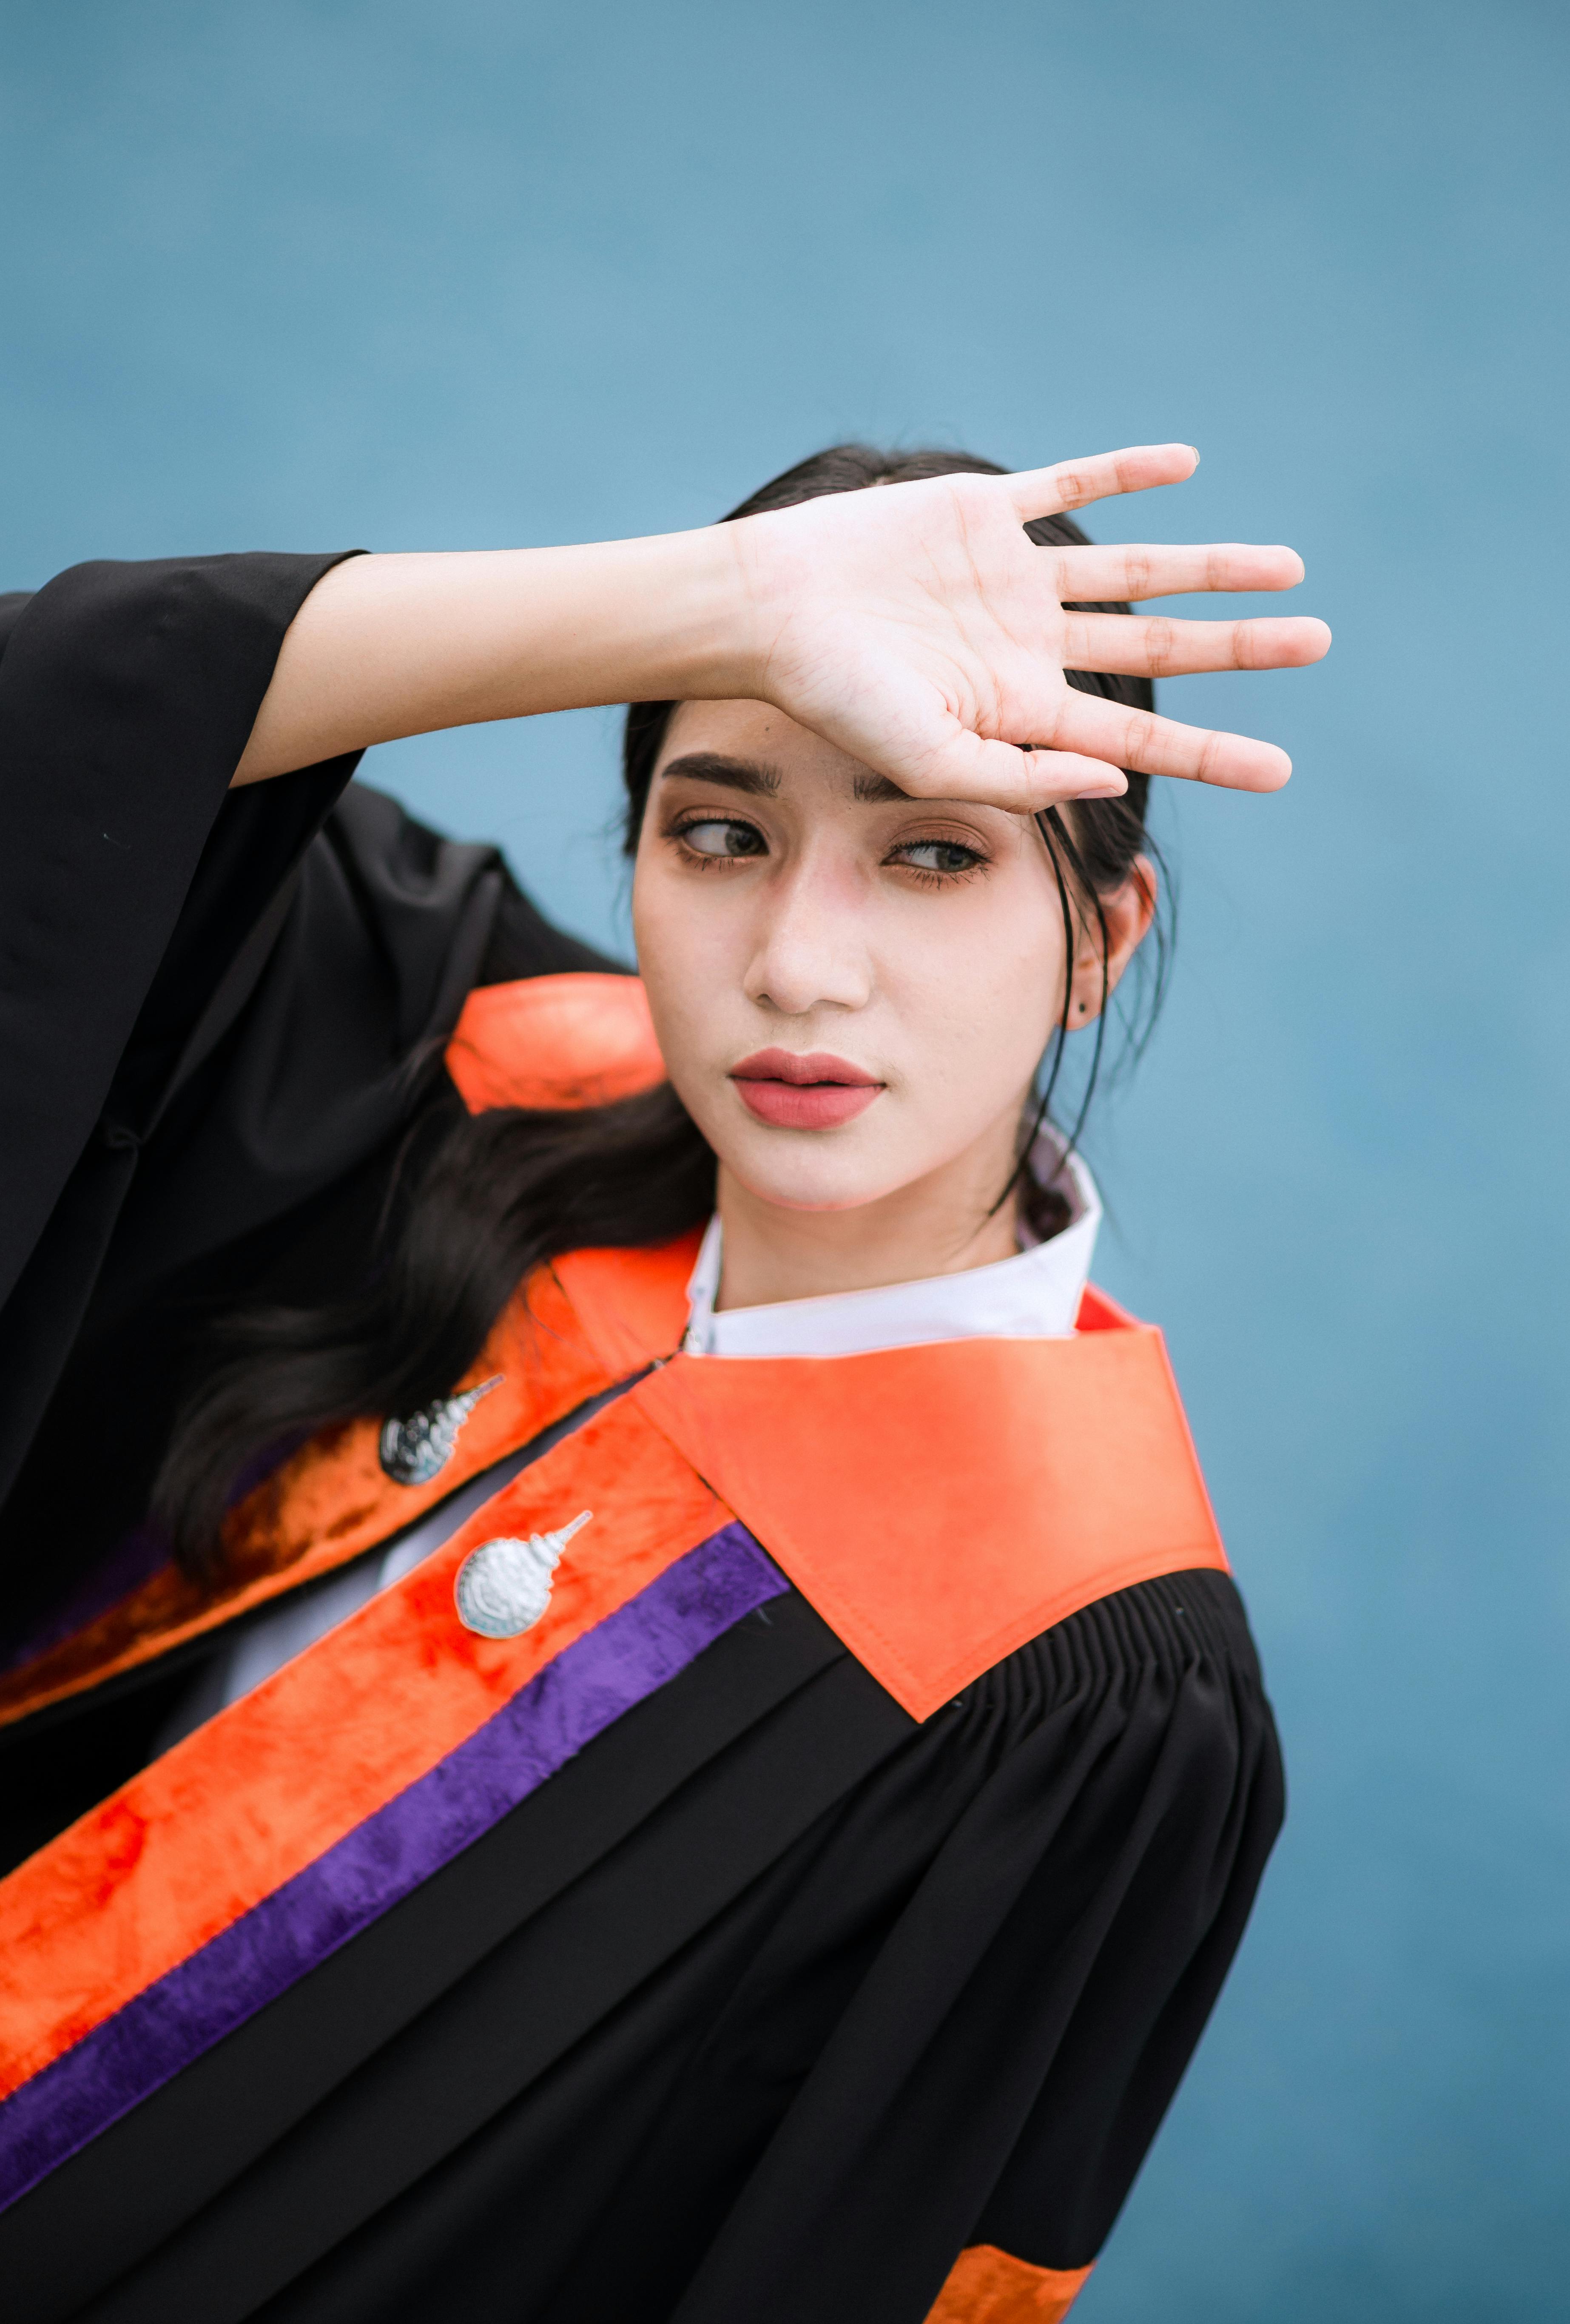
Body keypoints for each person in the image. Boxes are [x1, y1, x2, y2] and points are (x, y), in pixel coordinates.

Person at [0, 441, 1327, 2323]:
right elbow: (71, 761)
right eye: (718, 834)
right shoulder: (449, 1063)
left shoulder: (1084, 1695)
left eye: (933, 852)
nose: (798, 966)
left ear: (1095, 944)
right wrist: (698, 611)